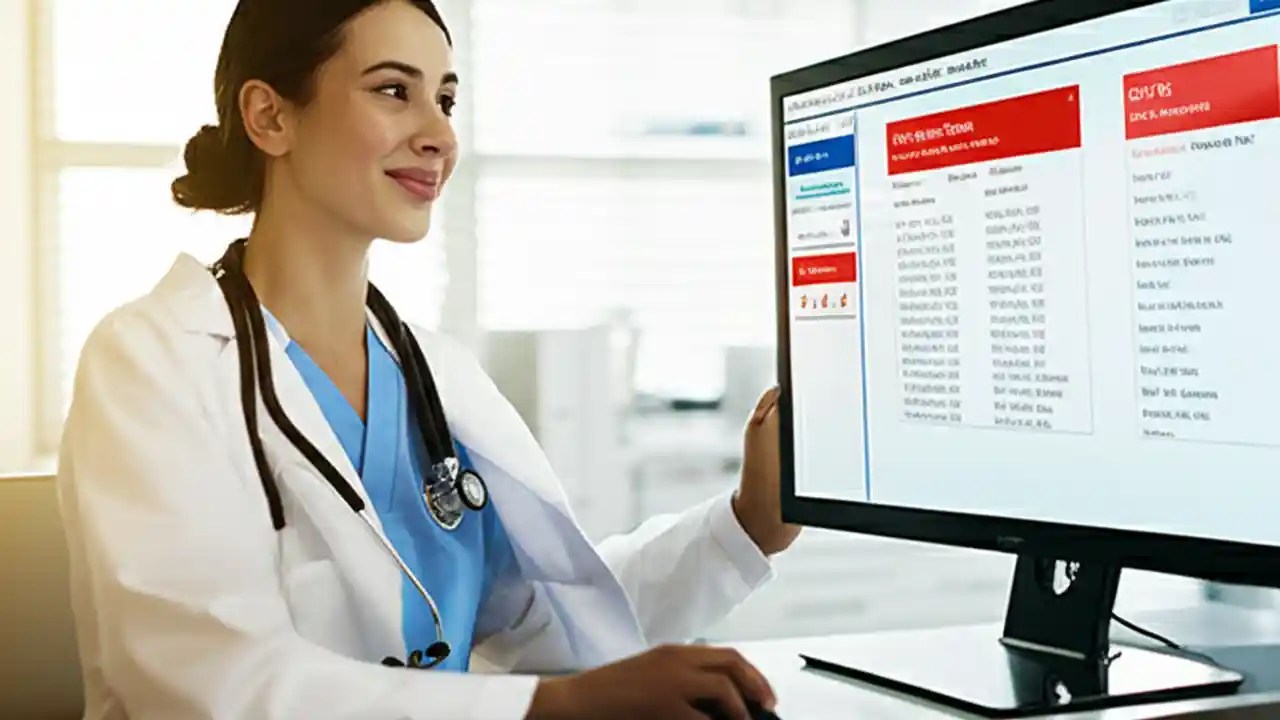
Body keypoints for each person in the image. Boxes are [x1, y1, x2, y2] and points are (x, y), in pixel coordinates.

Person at [54, 1, 802, 718]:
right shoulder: (154, 361)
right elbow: (205, 684)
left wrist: (749, 523)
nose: (439, 134)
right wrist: (555, 707)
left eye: (445, 100)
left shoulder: (433, 375)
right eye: (393, 91)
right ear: (270, 116)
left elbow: (556, 623)